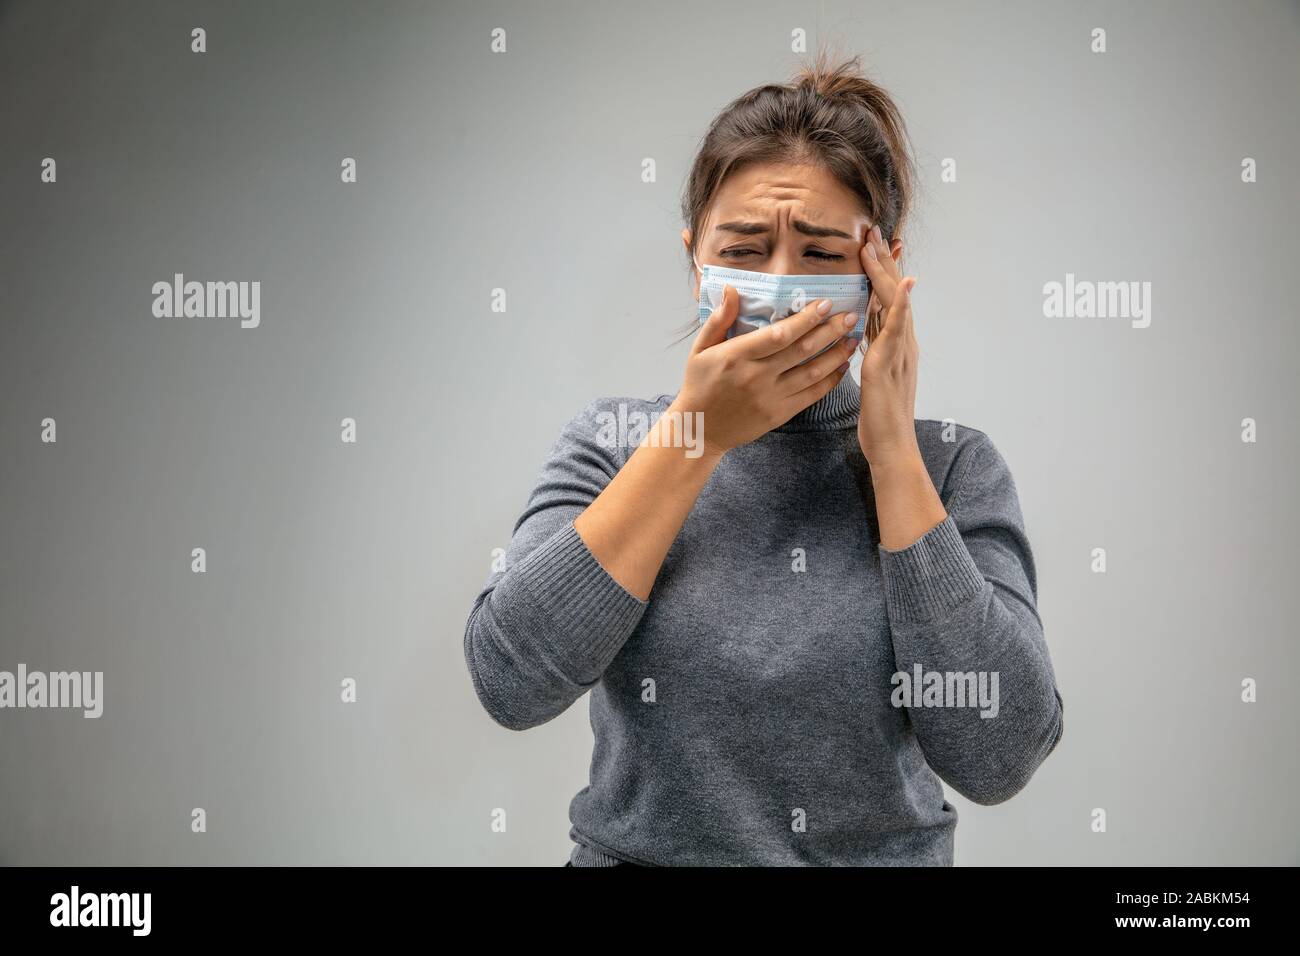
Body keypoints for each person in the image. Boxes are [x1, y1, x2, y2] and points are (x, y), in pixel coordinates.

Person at [464, 50, 1064, 867]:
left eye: (821, 257)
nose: (782, 287)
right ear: (694, 260)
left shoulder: (953, 467)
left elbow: (1000, 755)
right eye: (744, 250)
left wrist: (890, 454)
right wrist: (695, 438)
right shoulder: (610, 442)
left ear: (882, 268)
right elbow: (510, 681)